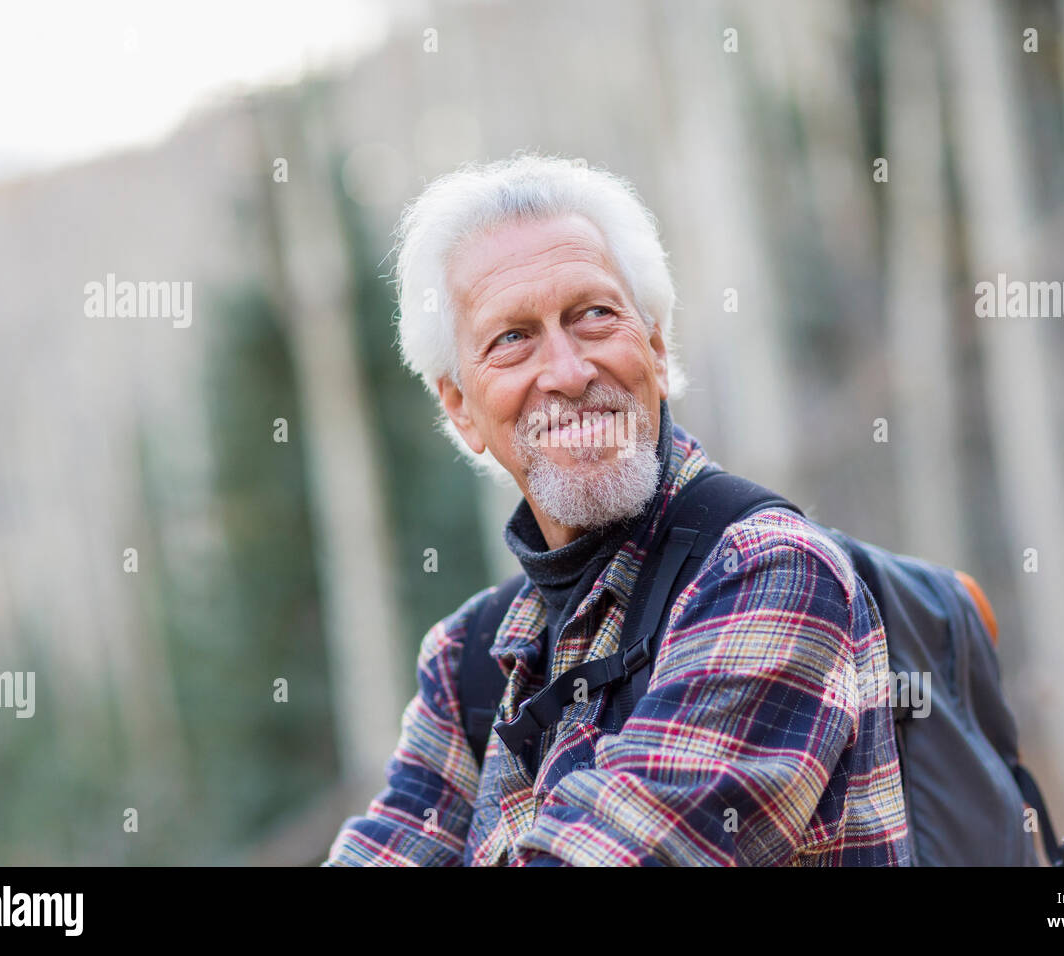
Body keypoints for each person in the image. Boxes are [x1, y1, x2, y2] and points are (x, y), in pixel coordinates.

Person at [323, 152, 910, 866]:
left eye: (594, 315)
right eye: (513, 339)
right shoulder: (468, 662)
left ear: (657, 348)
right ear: (460, 407)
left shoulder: (771, 573)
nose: (568, 373)